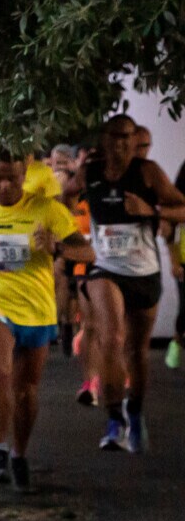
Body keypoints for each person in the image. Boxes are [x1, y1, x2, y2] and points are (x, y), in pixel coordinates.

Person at [0, 150, 93, 488]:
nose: (4, 185)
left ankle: (19, 452)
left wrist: (57, 248)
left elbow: (87, 253)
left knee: (27, 390)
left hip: (37, 308)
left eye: (11, 178)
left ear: (23, 176)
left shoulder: (47, 210)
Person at [77, 115, 185, 451]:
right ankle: (113, 421)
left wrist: (150, 210)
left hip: (144, 273)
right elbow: (62, 197)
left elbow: (181, 209)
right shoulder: (90, 173)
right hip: (105, 267)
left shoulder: (148, 172)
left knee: (136, 351)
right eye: (115, 137)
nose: (121, 143)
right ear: (105, 139)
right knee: (112, 337)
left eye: (128, 137)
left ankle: (134, 411)